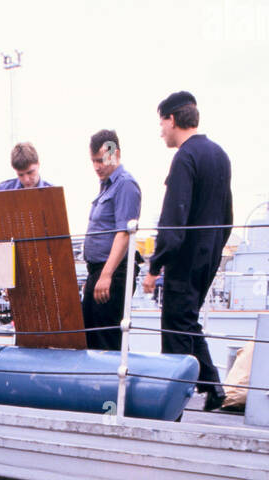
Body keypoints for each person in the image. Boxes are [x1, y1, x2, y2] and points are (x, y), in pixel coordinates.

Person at [142, 91, 232, 410]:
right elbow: (228, 216)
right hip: (209, 255)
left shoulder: (185, 157)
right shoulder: (220, 155)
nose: (161, 131)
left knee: (175, 330)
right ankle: (213, 387)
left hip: (184, 257)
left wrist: (155, 267)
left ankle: (174, 405)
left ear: (172, 119)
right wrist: (212, 251)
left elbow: (173, 220)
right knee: (187, 321)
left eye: (161, 123)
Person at [82, 130, 141, 351]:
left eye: (101, 160)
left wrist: (106, 275)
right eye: (93, 161)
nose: (96, 166)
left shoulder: (125, 185)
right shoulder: (107, 185)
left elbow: (124, 234)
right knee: (91, 336)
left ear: (115, 154)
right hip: (98, 272)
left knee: (106, 339)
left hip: (112, 273)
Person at [0, 141, 55, 239]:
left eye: (30, 172)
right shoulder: (4, 190)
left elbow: (59, 232)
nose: (26, 179)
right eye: (21, 175)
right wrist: (13, 238)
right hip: (12, 248)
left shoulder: (52, 192)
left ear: (38, 164)